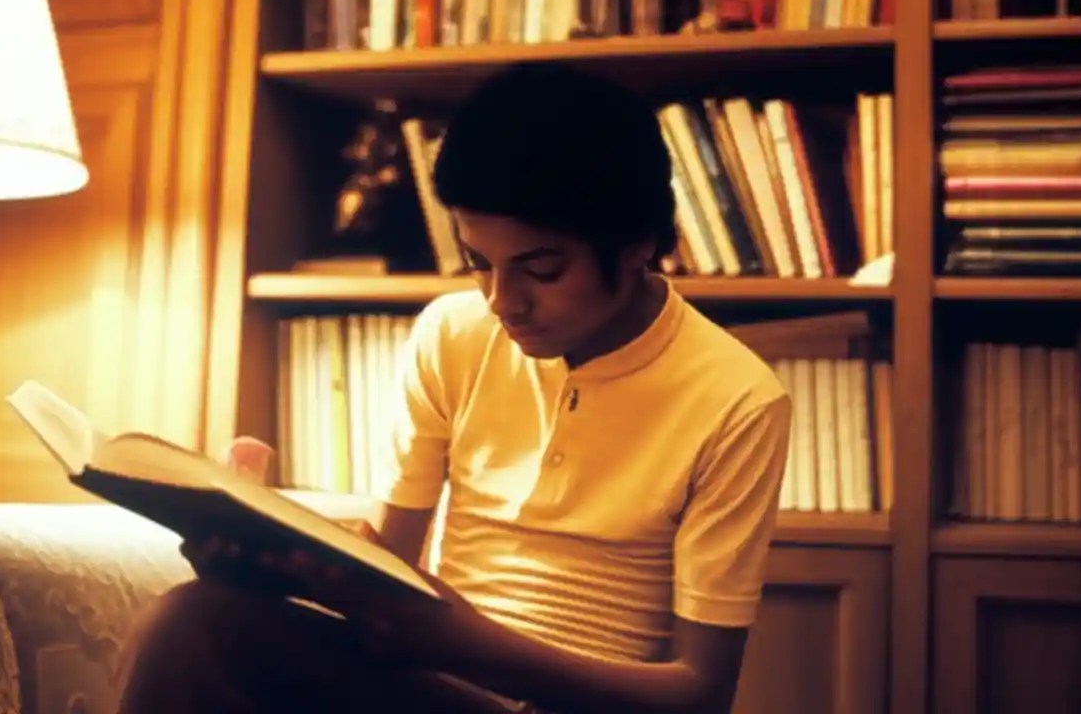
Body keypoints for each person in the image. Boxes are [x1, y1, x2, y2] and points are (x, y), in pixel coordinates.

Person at [116, 62, 792, 714]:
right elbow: (386, 569)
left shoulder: (737, 398)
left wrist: (469, 645)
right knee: (197, 622)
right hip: (429, 684)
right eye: (478, 264)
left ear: (641, 243)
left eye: (542, 269)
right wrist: (262, 555)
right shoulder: (454, 332)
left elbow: (699, 694)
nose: (504, 301)